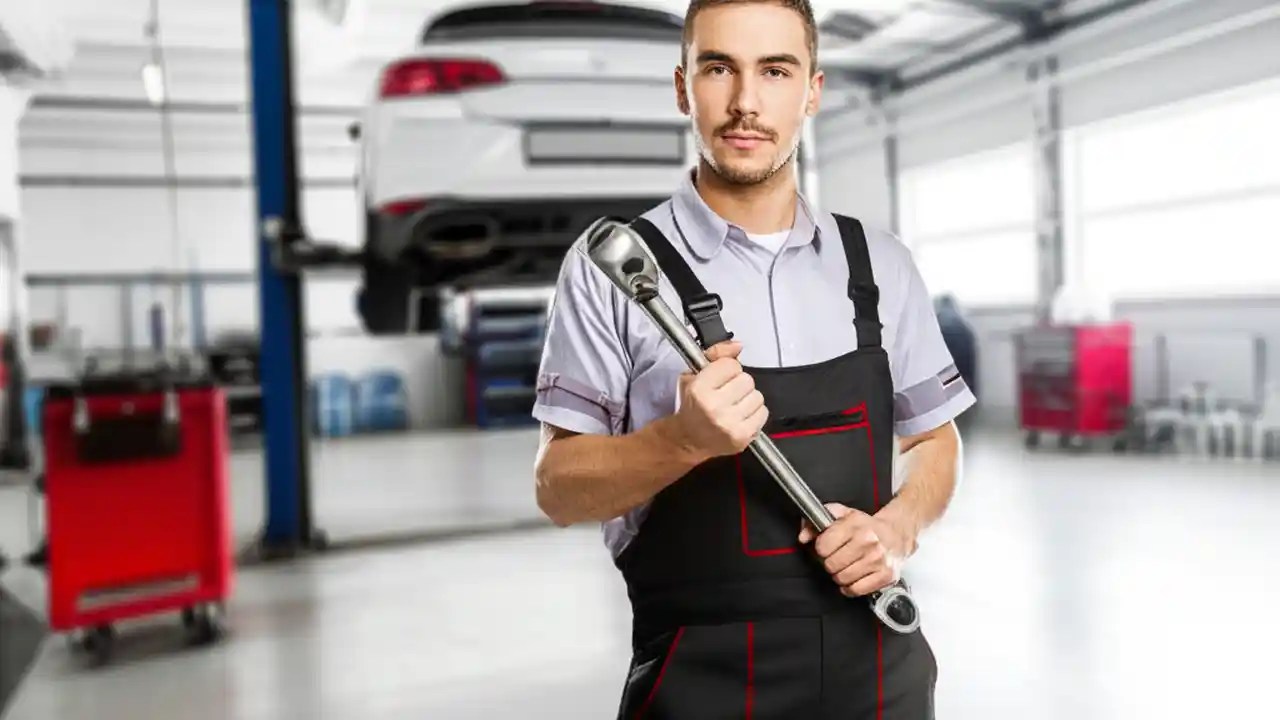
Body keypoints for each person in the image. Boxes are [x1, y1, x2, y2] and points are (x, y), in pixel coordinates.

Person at [532, 0, 975, 716]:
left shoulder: (880, 264)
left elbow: (935, 439)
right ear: (683, 88)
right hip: (700, 683)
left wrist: (896, 530)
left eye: (775, 71)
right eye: (718, 69)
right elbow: (558, 488)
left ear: (812, 91)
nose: (746, 102)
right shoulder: (611, 269)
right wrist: (681, 441)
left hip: (878, 675)